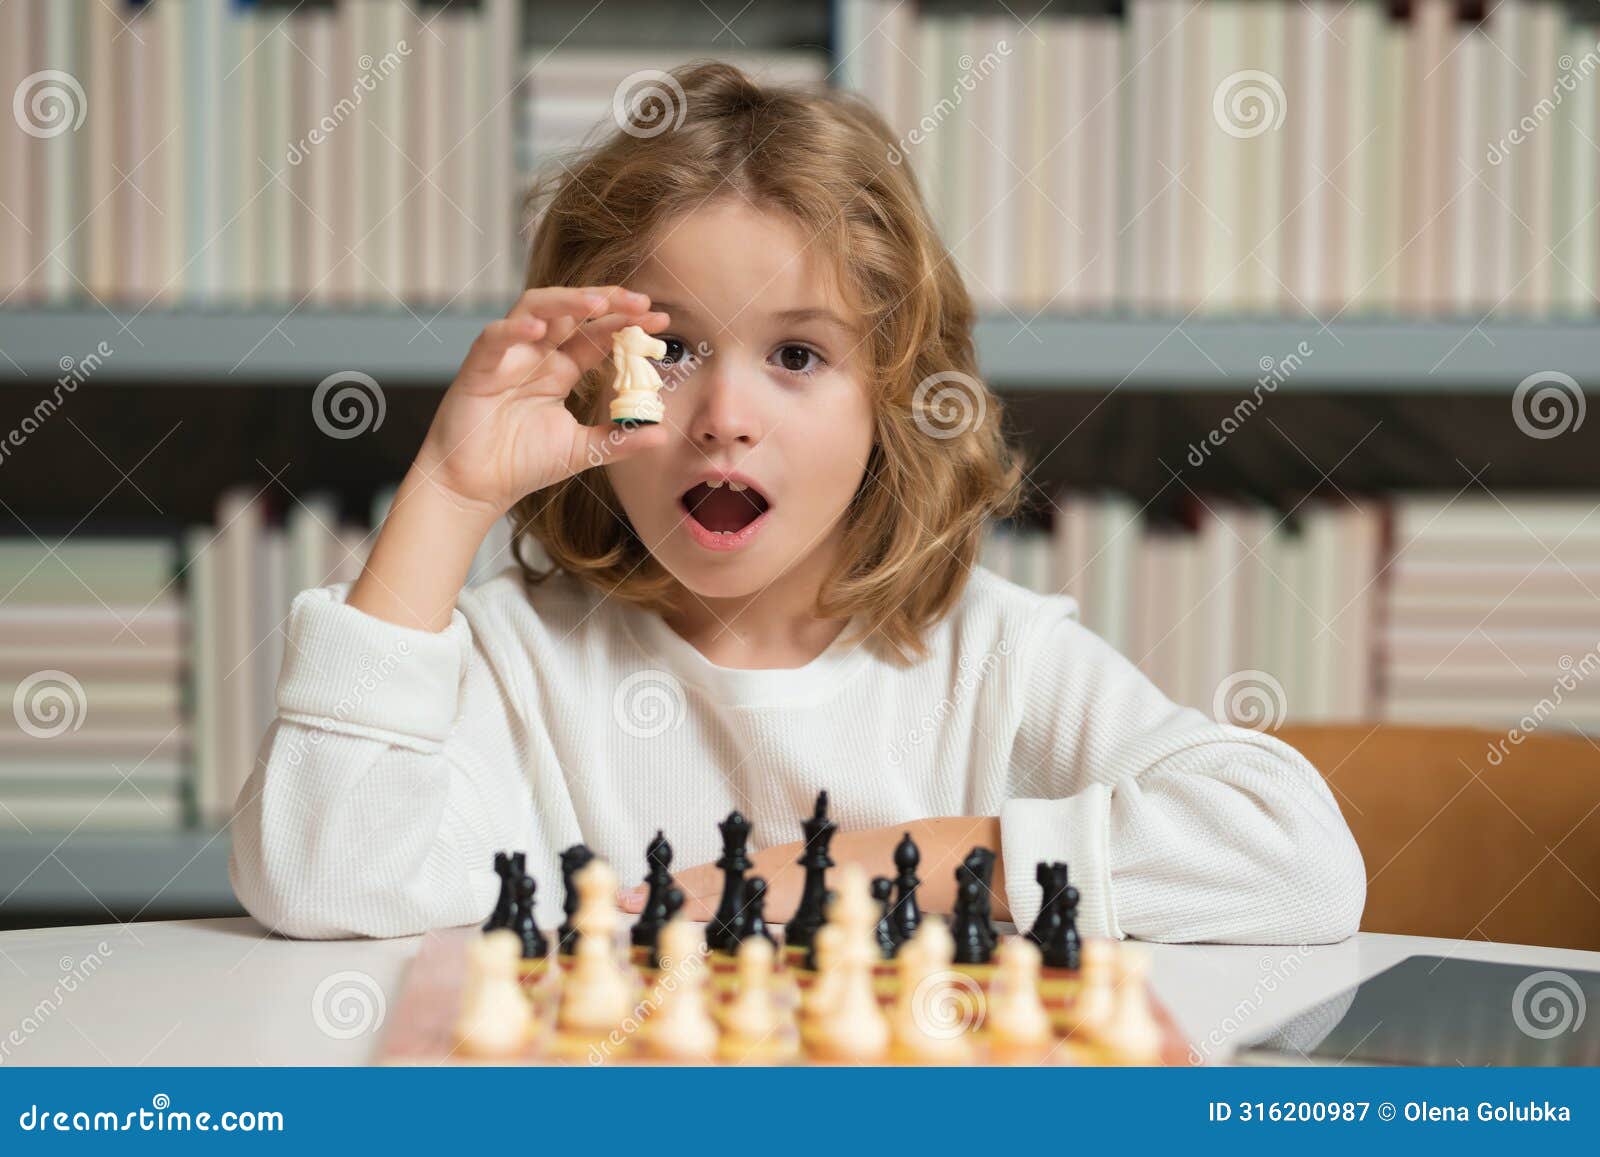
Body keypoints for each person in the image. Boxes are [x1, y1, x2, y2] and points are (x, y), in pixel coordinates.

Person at [229, 62, 1364, 945]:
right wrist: (447, 490)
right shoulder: (516, 663)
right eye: (670, 349)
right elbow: (323, 877)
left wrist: (869, 866)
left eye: (797, 355)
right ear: (589, 381)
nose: (725, 416)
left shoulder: (993, 661)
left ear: (892, 396)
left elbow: (1297, 860)